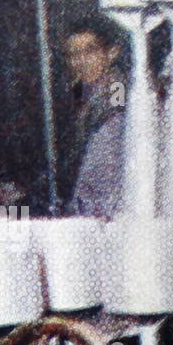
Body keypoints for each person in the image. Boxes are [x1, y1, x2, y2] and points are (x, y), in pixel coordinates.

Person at [61, 17, 125, 211]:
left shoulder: (117, 87)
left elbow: (115, 127)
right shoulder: (80, 92)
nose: (81, 61)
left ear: (112, 53)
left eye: (90, 51)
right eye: (73, 54)